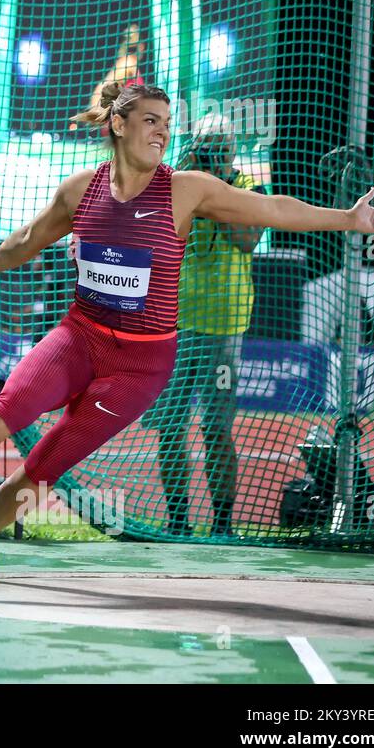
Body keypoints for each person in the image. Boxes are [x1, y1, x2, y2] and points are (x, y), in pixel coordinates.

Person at [0, 81, 374, 582]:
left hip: (140, 365)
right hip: (79, 337)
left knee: (47, 460)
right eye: (151, 120)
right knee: (6, 408)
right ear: (118, 125)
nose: (162, 132)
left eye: (168, 124)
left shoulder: (186, 190)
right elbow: (27, 240)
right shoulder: (80, 190)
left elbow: (269, 208)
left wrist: (347, 219)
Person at [142, 113, 263, 537]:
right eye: (208, 148)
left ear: (233, 151)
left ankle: (223, 522)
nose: (216, 155)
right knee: (170, 425)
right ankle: (178, 520)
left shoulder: (249, 188)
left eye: (221, 148)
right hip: (171, 325)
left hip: (223, 328)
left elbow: (246, 240)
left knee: (217, 427)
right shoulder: (178, 183)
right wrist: (190, 178)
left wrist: (218, 189)